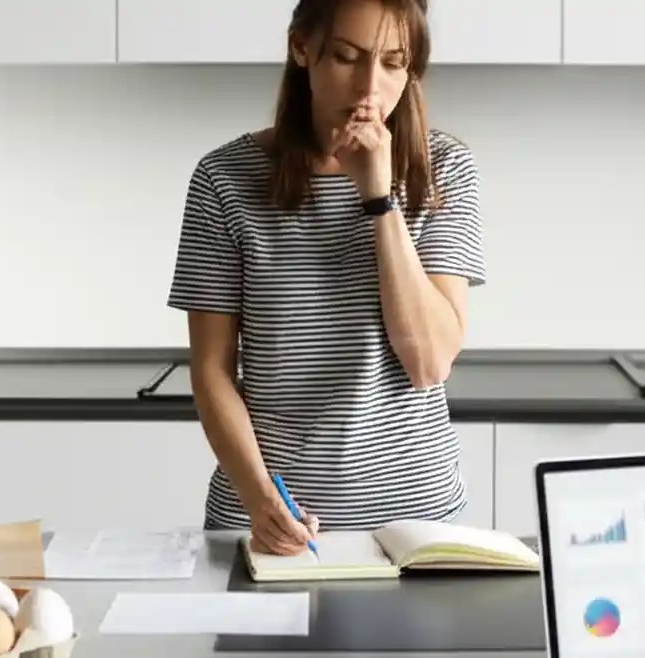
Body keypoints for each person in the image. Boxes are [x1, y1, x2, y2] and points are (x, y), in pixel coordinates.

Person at [167, 0, 484, 556]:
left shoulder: (444, 172)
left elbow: (429, 360)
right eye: (346, 56)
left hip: (417, 528)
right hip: (268, 522)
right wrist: (260, 499)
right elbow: (212, 370)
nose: (369, 87)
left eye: (393, 63)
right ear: (302, 48)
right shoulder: (224, 179)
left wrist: (380, 199)